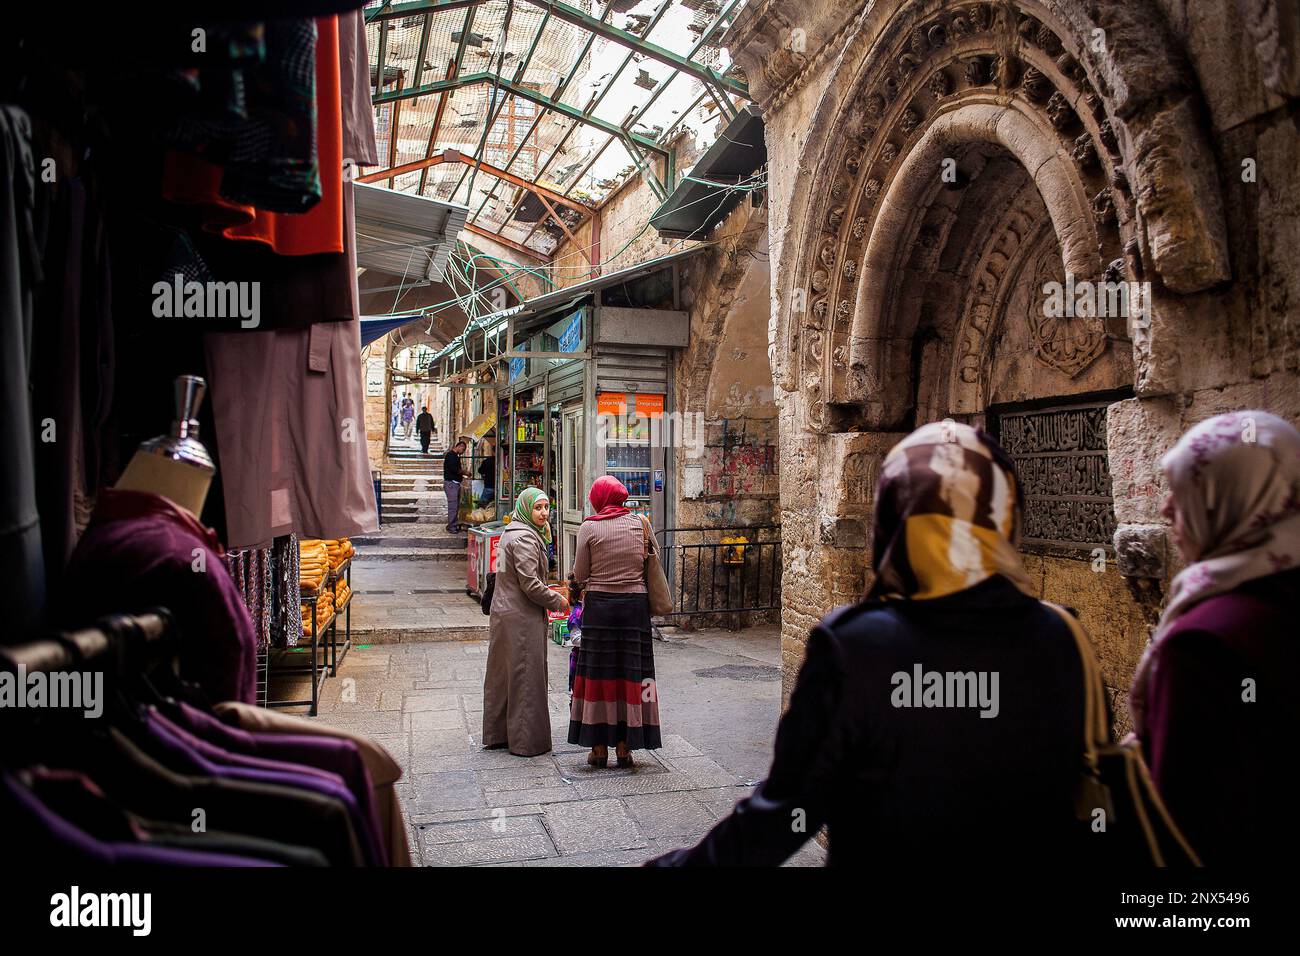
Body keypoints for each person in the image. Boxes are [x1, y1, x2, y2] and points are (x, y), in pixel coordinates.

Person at [648, 421, 1088, 866]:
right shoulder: (1062, 638)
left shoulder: (857, 646)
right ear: (1006, 518)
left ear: (893, 518)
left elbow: (789, 811)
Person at [1128, 410, 1300, 866]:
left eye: (1184, 491)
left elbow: (1180, 827)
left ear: (1232, 498)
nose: (1165, 508)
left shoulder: (1203, 643)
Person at [568, 476, 662, 768]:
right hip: (634, 610)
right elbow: (652, 560)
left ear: (598, 498)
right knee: (631, 676)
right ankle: (625, 747)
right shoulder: (641, 523)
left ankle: (598, 749)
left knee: (599, 677)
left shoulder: (589, 527)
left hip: (601, 611)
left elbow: (580, 573)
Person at [482, 488, 569, 756]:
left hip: (505, 610)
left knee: (505, 674)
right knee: (526, 675)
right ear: (526, 508)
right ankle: (525, 741)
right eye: (538, 508)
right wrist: (558, 601)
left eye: (546, 507)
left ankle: (499, 734)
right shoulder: (525, 539)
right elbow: (530, 584)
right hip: (521, 616)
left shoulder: (511, 533)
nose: (544, 513)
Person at [442, 439, 466, 534]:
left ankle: (453, 524)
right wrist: (465, 472)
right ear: (458, 446)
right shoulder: (451, 456)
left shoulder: (455, 456)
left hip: (455, 483)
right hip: (451, 484)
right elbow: (455, 469)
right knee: (453, 506)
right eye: (463, 449)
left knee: (456, 506)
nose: (463, 451)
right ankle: (451, 526)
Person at [477, 441, 496, 506]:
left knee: (482, 504)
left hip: (489, 486)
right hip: (500, 488)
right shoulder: (504, 460)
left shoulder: (487, 461)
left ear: (492, 452)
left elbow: (480, 470)